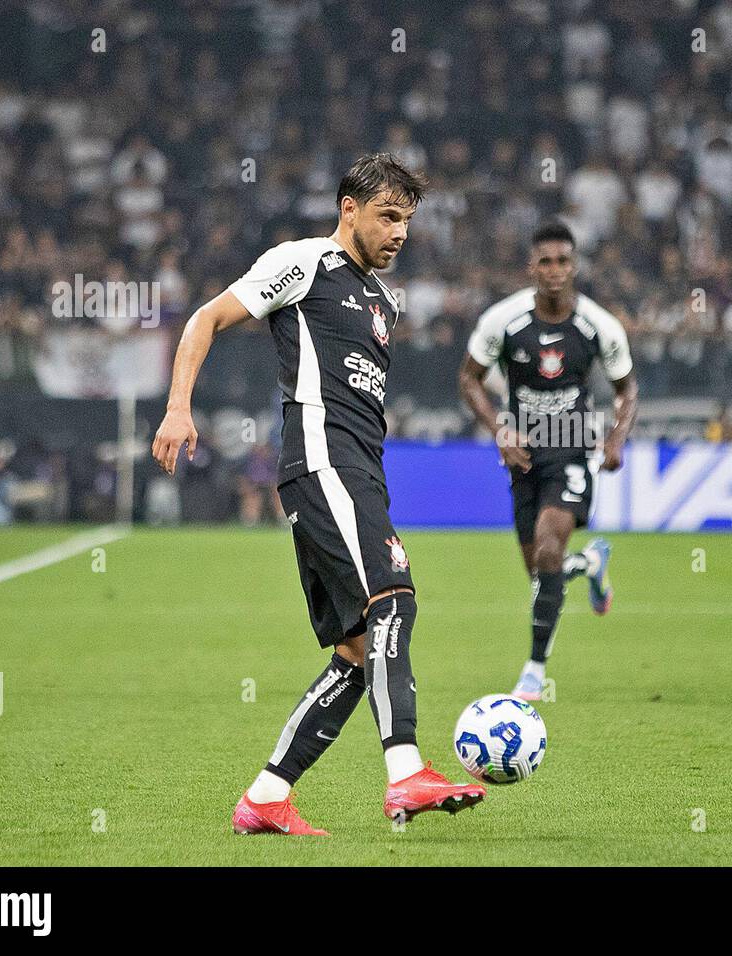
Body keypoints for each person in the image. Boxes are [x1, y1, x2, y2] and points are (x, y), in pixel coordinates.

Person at [151, 153, 484, 833]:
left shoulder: (380, 300)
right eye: (388, 216)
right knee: (395, 599)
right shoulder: (304, 262)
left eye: (408, 221)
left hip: (356, 473)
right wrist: (178, 406)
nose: (400, 233)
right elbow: (205, 319)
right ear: (348, 208)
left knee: (358, 654)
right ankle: (405, 773)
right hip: (324, 465)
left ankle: (267, 796)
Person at [458, 220, 638, 702]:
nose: (555, 270)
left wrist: (617, 438)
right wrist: (499, 428)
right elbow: (469, 378)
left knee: (549, 552)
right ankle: (592, 564)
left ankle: (534, 671)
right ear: (531, 267)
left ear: (574, 266)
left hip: (574, 447)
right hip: (523, 453)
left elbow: (627, 389)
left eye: (563, 261)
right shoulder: (504, 321)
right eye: (545, 262)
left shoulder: (600, 326)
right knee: (541, 573)